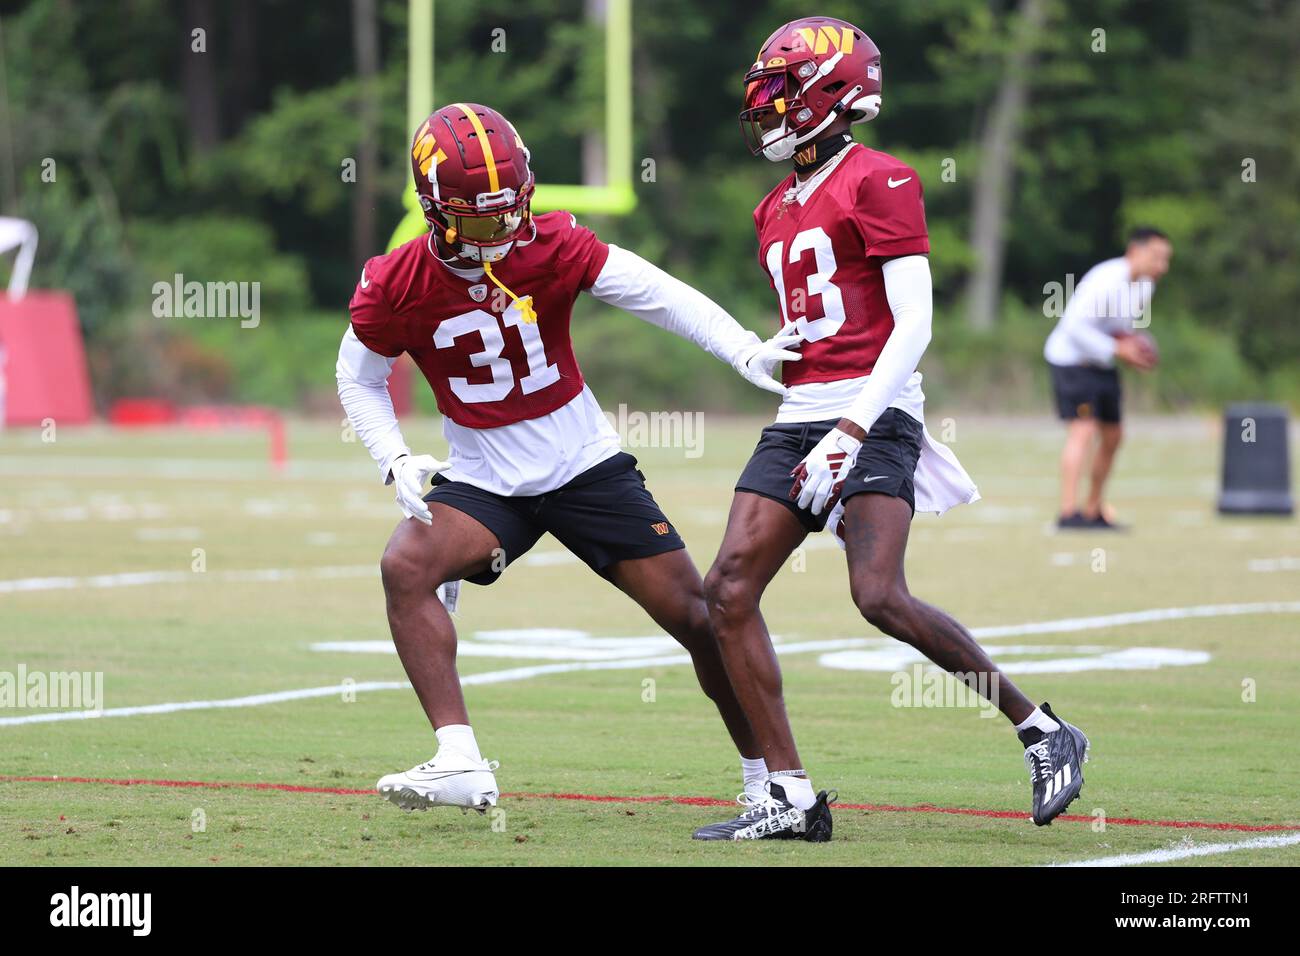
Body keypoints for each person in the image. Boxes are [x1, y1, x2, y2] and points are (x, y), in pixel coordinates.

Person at [337, 102, 802, 814]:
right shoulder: (395, 281)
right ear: (436, 210)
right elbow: (359, 377)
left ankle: (763, 780)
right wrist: (392, 457)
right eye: (483, 219)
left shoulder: (548, 242)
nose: (505, 229)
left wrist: (741, 345)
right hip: (486, 481)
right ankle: (460, 759)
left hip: (583, 464)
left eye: (512, 209)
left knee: (700, 619)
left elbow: (657, 294)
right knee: (405, 565)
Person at [692, 18, 1089, 841]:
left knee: (878, 596)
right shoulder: (774, 204)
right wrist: (773, 352)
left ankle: (1042, 730)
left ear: (829, 94)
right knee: (726, 592)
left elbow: (913, 324)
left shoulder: (881, 180)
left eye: (778, 92)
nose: (763, 109)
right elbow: (819, 314)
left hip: (871, 415)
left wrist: (850, 427)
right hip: (798, 415)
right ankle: (792, 800)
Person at [1045, 227, 1171, 529]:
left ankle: (1093, 510)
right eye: (1156, 257)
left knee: (1113, 435)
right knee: (1083, 430)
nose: (1162, 266)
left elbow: (1116, 328)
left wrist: (1135, 347)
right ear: (1135, 251)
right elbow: (1074, 327)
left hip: (1101, 362)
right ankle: (1068, 513)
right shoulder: (1107, 280)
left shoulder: (1144, 287)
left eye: (1166, 259)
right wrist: (1119, 349)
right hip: (1072, 360)